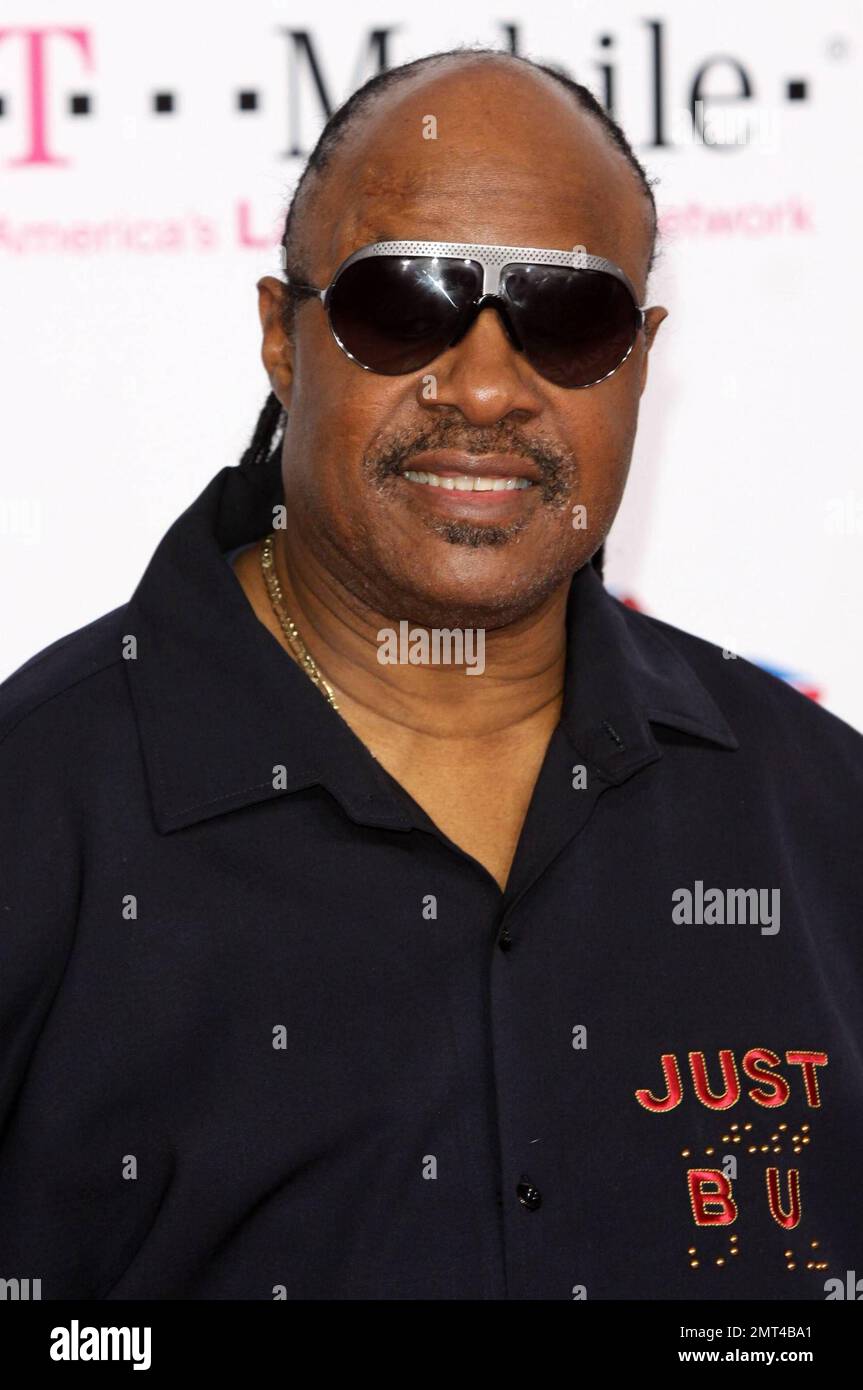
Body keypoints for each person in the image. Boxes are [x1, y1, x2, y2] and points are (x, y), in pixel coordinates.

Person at [1, 48, 861, 1302]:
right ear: (280, 341)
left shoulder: (819, 815)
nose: (484, 385)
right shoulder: (35, 812)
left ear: (641, 357)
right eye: (401, 306)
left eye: (569, 319)